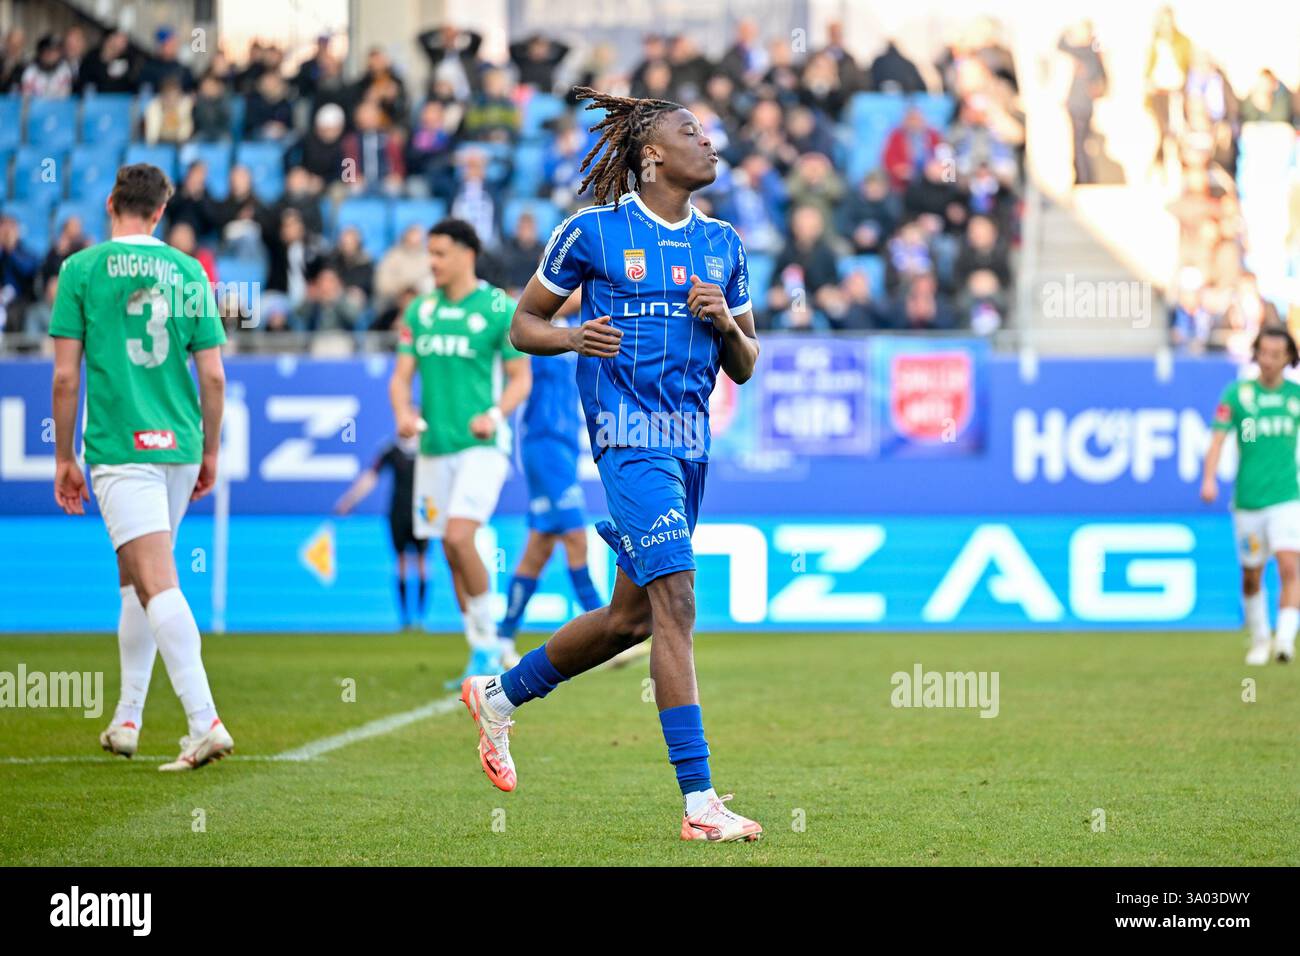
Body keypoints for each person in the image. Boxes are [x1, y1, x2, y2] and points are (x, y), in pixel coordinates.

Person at [460, 87, 763, 843]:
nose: (710, 141)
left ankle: (497, 697)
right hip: (629, 442)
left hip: (689, 447)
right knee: (679, 605)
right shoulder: (591, 232)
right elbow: (523, 323)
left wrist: (723, 322)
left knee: (631, 619)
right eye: (693, 131)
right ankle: (699, 805)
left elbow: (748, 364)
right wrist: (572, 338)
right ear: (654, 152)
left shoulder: (724, 244)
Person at [48, 163, 232, 769]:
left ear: (111, 203)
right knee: (134, 578)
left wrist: (63, 457)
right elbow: (212, 374)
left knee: (155, 579)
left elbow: (65, 375)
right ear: (160, 212)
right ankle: (127, 716)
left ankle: (205, 721)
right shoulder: (187, 270)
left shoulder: (79, 269)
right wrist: (208, 451)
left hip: (121, 448)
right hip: (176, 445)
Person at [388, 219, 532, 683]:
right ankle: (480, 650)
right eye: (429, 253)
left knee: (457, 536)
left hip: (482, 447)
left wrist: (493, 414)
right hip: (433, 447)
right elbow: (400, 377)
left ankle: (490, 644)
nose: (432, 262)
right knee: (450, 550)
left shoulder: (497, 308)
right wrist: (404, 414)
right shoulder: (421, 312)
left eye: (440, 253)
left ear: (468, 254)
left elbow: (520, 380)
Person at [497, 300, 604, 666]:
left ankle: (502, 637)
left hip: (566, 445)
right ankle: (606, 635)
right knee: (575, 534)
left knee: (539, 548)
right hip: (542, 444)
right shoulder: (533, 328)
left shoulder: (576, 328)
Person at [1201, 326, 1300, 665]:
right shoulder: (1238, 395)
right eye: (1264, 353)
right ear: (1255, 353)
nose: (1269, 361)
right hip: (1248, 500)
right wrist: (1209, 479)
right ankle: (1260, 637)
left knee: (1290, 565)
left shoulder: (1295, 397)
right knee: (1252, 574)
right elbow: (1217, 439)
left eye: (1277, 355)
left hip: (1287, 497)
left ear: (1289, 358)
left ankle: (1285, 640)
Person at [335, 435, 429, 629]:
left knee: (422, 563)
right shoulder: (391, 450)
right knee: (401, 562)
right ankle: (405, 619)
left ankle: (420, 617)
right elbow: (371, 476)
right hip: (398, 513)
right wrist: (349, 500)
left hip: (422, 513)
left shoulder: (428, 448)